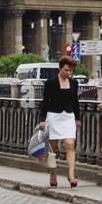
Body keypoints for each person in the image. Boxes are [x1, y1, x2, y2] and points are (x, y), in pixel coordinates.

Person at [37, 56, 82, 188]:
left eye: (70, 71)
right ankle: (53, 174)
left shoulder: (74, 83)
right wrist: (42, 119)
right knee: (53, 148)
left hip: (68, 116)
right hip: (53, 116)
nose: (68, 73)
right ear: (60, 68)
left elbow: (75, 101)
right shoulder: (50, 82)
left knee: (69, 144)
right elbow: (45, 102)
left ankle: (71, 175)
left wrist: (77, 118)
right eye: (66, 70)